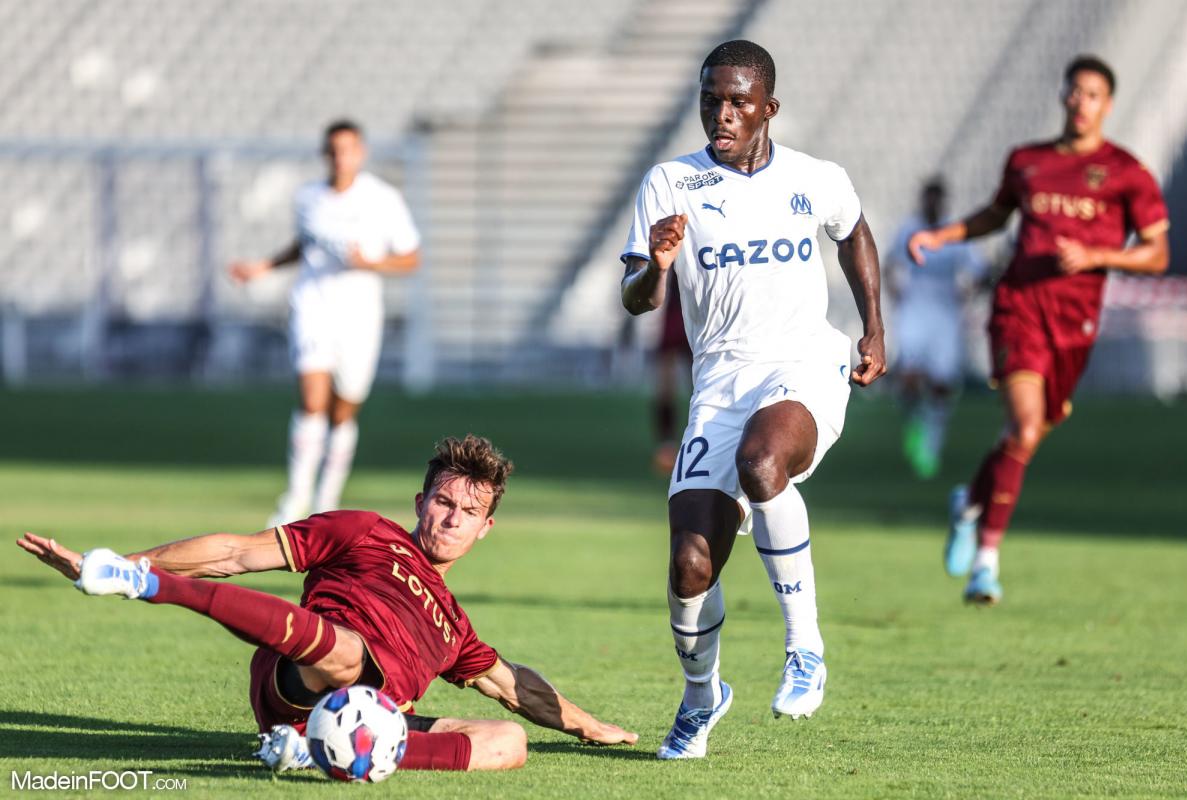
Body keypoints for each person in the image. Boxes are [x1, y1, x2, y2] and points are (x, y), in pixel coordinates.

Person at [16, 435, 638, 772]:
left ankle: (313, 750)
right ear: (420, 501)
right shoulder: (366, 530)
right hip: (303, 669)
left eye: (469, 512)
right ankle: (143, 584)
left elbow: (513, 687)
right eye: (444, 503)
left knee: (506, 743)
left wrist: (586, 724)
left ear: (486, 529)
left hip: (358, 717)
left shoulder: (454, 627)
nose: (451, 520)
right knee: (349, 655)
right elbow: (236, 552)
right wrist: (133, 563)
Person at [619, 40, 886, 759]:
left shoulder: (812, 177)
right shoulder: (671, 184)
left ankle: (806, 650)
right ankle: (703, 698)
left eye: (738, 101)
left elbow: (853, 230)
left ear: (768, 107)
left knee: (763, 462)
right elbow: (637, 299)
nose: (722, 113)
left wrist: (873, 329)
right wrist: (658, 267)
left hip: (803, 364)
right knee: (689, 567)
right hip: (721, 382)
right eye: (711, 99)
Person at [908, 55, 1170, 604]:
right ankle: (986, 562)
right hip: (1020, 307)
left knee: (1020, 440)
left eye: (1093, 94)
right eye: (1074, 91)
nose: (1081, 102)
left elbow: (1156, 254)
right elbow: (995, 215)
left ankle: (969, 504)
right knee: (1025, 429)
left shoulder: (1126, 171)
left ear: (1107, 104)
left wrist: (1097, 254)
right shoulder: (1028, 160)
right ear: (1063, 96)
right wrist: (943, 237)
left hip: (1075, 325)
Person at [229, 120, 421, 526]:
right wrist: (265, 266)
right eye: (333, 150)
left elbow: (410, 257)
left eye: (348, 149)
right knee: (312, 401)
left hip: (359, 315)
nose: (340, 157)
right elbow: (305, 245)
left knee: (344, 409)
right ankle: (296, 497)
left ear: (361, 153)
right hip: (313, 307)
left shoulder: (382, 199)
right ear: (325, 154)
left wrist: (372, 263)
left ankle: (327, 497)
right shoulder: (308, 199)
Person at [885, 177, 988, 479]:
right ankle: (915, 423)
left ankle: (931, 444)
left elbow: (979, 271)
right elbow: (890, 263)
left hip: (946, 313)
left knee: (942, 385)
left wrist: (967, 294)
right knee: (911, 381)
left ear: (942, 202)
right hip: (915, 309)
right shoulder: (909, 229)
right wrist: (895, 294)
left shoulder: (953, 232)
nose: (931, 205)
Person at [651, 270, 693, 474]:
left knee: (704, 382)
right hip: (678, 305)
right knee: (666, 379)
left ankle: (706, 438)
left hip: (702, 308)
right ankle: (667, 445)